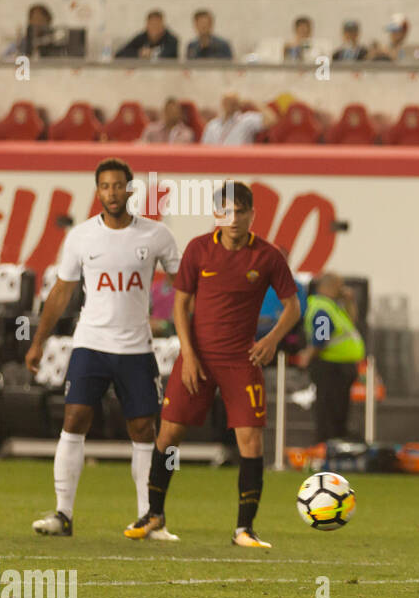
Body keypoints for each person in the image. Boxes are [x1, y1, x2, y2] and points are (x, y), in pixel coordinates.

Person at [127, 183, 301, 548]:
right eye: (226, 211)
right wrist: (188, 355)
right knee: (169, 435)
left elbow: (293, 308)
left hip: (241, 360)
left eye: (240, 212)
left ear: (252, 215)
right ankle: (154, 514)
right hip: (197, 358)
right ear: (216, 215)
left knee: (250, 441)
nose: (233, 219)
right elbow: (180, 305)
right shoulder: (199, 249)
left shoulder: (267, 257)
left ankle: (244, 529)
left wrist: (270, 341)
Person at [26, 158, 181, 538]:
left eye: (118, 186)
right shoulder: (81, 236)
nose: (112, 193)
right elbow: (61, 292)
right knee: (74, 418)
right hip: (90, 344)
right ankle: (63, 514)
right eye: (105, 186)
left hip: (136, 348)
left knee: (144, 429)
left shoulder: (156, 235)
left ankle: (149, 517)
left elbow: (184, 286)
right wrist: (38, 342)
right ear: (98, 191)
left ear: (131, 190)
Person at [302, 273, 366, 445]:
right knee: (329, 411)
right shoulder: (321, 307)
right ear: (329, 286)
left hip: (341, 366)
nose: (343, 289)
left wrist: (349, 301)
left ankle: (337, 444)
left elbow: (352, 321)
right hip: (329, 366)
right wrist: (309, 355)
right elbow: (321, 336)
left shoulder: (334, 306)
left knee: (340, 412)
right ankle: (326, 445)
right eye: (340, 285)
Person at [201, 92, 279, 146]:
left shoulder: (247, 120)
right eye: (226, 101)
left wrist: (253, 103)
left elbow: (271, 120)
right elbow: (204, 148)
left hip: (240, 163)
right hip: (218, 163)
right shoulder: (212, 125)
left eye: (232, 102)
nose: (229, 105)